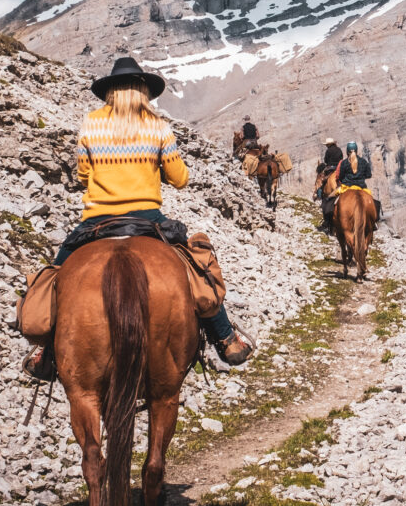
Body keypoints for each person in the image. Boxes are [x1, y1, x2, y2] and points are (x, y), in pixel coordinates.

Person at [22, 57, 253, 378]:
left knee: (59, 274)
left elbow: (82, 175)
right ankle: (226, 338)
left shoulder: (92, 123)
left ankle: (46, 351)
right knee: (198, 269)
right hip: (148, 219)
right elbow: (179, 177)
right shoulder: (156, 126)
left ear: (110, 93)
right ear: (143, 92)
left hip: (97, 220)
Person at [334, 141, 382, 221]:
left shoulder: (344, 163)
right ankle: (375, 222)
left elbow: (341, 177)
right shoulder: (363, 162)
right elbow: (369, 175)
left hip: (347, 187)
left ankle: (334, 222)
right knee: (374, 202)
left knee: (335, 203)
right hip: (361, 187)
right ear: (357, 150)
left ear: (347, 151)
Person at [316, 137, 343, 234]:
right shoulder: (339, 150)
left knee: (322, 182)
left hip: (331, 168)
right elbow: (341, 159)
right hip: (340, 168)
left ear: (328, 144)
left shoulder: (328, 151)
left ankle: (319, 195)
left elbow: (326, 160)